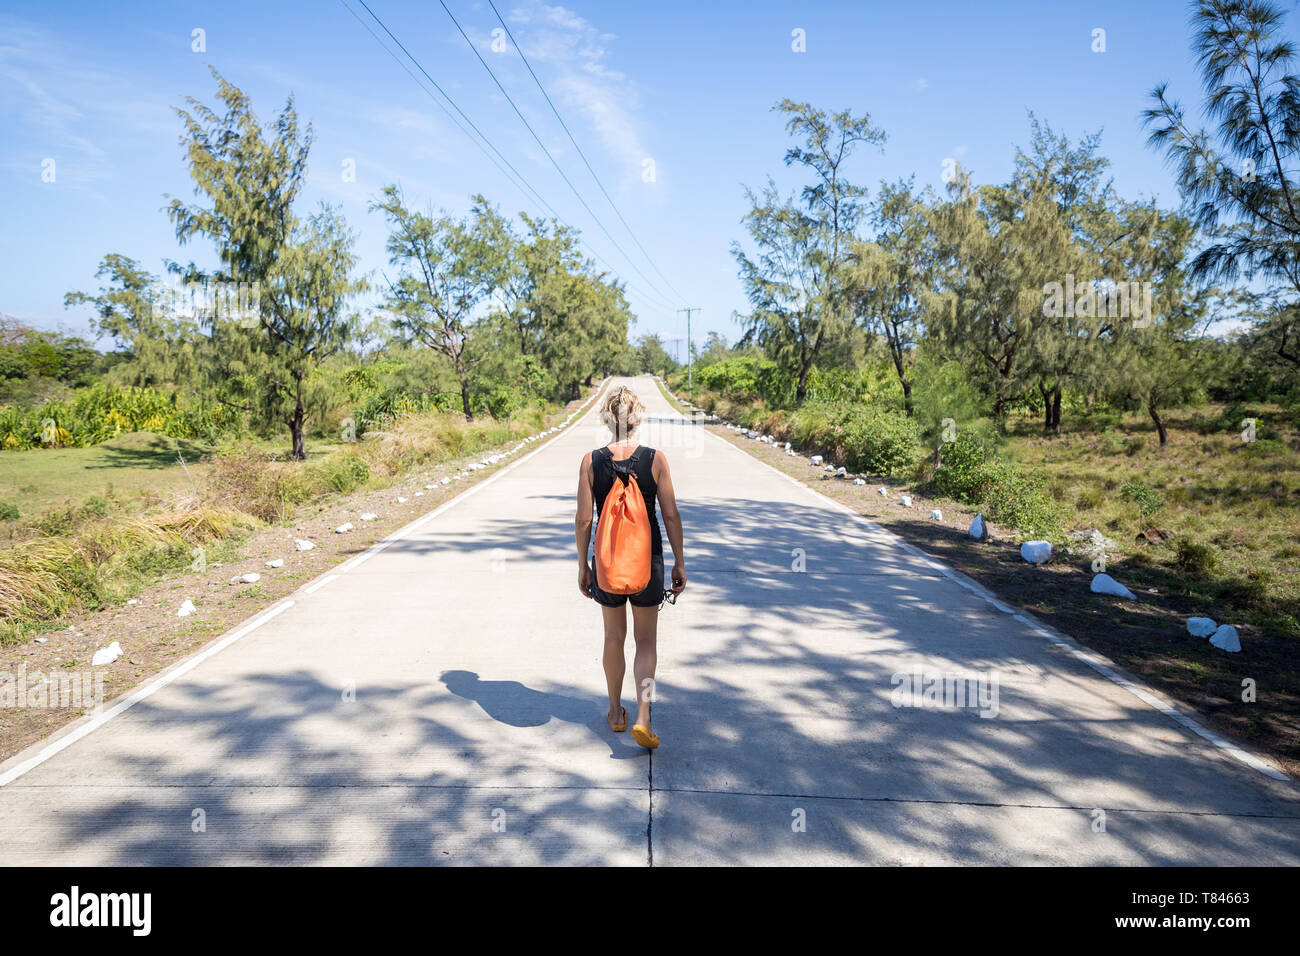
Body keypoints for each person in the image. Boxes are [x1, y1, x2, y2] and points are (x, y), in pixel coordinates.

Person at [575, 385, 686, 750]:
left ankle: (614, 712)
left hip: (607, 562)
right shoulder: (655, 460)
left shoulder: (591, 461)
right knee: (647, 640)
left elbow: (583, 521)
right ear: (638, 419)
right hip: (647, 561)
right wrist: (679, 562)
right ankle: (643, 715)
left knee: (612, 638)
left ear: (607, 418)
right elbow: (670, 515)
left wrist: (583, 566)